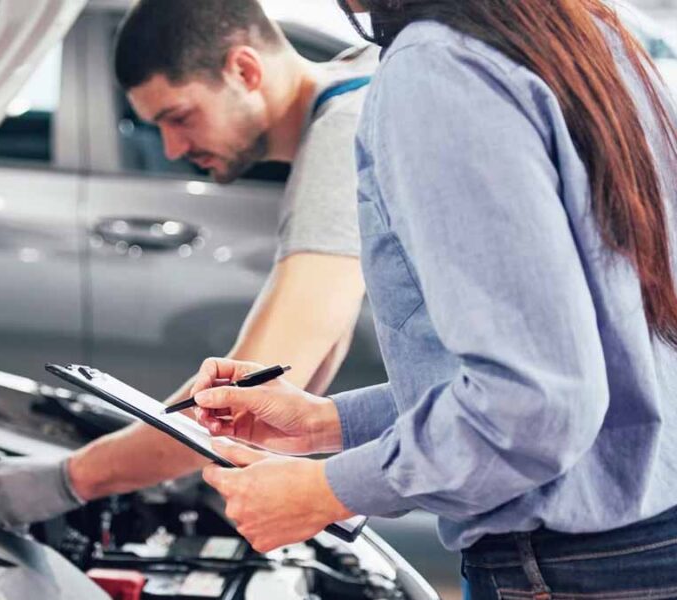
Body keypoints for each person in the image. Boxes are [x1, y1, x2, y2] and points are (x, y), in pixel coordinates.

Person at [188, 0, 677, 598]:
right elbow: (581, 361)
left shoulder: (437, 68)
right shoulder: (581, 31)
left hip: (572, 571)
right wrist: (331, 423)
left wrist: (323, 492)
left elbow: (533, 403)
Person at [0, 0, 379, 529]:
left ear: (245, 70)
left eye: (179, 117)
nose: (170, 149)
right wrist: (207, 459)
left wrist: (70, 477)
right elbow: (317, 352)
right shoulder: (359, 75)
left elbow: (251, 389)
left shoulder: (342, 133)